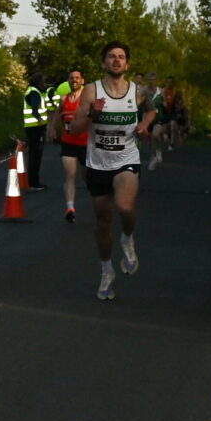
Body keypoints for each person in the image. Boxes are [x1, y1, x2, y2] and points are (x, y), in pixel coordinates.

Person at [83, 40, 154, 300]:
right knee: (102, 222)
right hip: (97, 162)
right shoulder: (91, 91)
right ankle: (106, 271)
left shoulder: (138, 92)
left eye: (121, 57)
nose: (116, 60)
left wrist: (144, 124)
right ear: (104, 62)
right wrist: (91, 112)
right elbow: (77, 128)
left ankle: (127, 238)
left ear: (127, 63)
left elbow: (152, 111)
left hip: (127, 158)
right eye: (111, 56)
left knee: (124, 207)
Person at [53, 65, 89, 222]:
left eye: (77, 78)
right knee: (70, 174)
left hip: (86, 143)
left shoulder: (87, 99)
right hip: (68, 142)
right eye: (71, 78)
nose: (74, 80)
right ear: (68, 81)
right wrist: (51, 128)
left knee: (87, 175)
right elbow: (56, 114)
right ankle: (70, 207)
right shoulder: (64, 98)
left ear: (82, 80)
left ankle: (99, 195)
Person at [18, 71, 49, 192]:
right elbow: (34, 110)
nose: (44, 83)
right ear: (39, 82)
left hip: (32, 128)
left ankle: (33, 181)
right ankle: (34, 182)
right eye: (43, 81)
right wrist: (40, 120)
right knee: (35, 156)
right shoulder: (34, 92)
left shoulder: (31, 91)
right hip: (35, 128)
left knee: (34, 155)